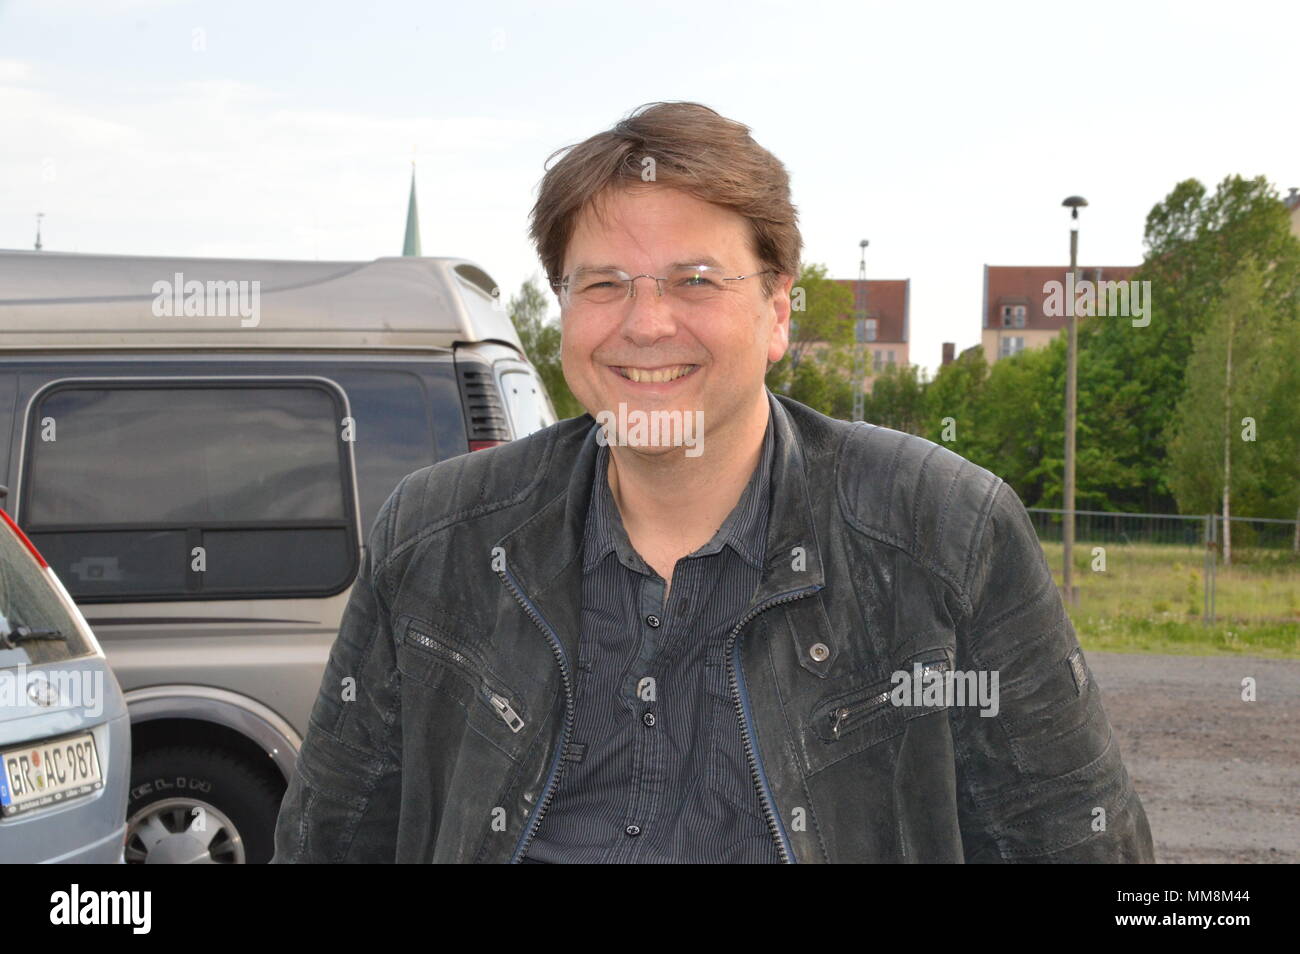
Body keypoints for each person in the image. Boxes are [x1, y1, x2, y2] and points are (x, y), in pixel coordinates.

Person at [271, 101, 1154, 863]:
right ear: (566, 311)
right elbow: (329, 842)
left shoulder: (946, 533)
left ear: (776, 312)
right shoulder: (435, 539)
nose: (645, 324)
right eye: (605, 283)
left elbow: (1078, 843)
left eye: (694, 280)